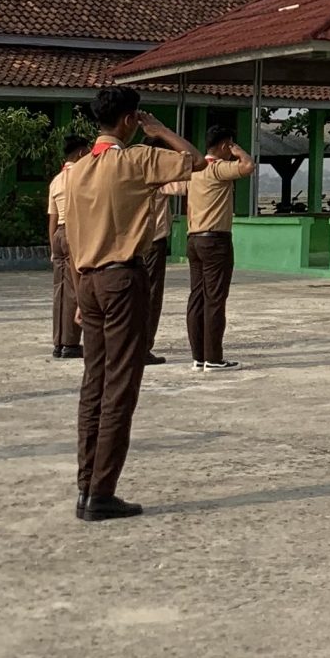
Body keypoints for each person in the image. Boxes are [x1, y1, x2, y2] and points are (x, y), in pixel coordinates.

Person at [63, 87, 198, 520]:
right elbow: (194, 160)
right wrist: (159, 130)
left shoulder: (77, 171)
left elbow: (72, 238)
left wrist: (79, 292)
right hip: (122, 278)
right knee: (120, 385)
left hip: (88, 280)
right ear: (128, 120)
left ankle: (85, 485)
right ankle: (102, 493)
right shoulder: (136, 159)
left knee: (94, 383)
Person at [185, 121, 254, 372]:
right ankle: (213, 358)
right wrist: (239, 151)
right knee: (215, 299)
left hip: (194, 238)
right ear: (225, 146)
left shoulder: (194, 171)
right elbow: (248, 166)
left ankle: (198, 356)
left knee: (197, 298)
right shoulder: (217, 168)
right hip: (215, 239)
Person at [47, 134, 89, 358]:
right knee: (75, 288)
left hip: (59, 235)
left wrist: (52, 245)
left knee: (59, 290)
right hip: (75, 232)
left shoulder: (56, 180)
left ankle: (58, 342)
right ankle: (71, 343)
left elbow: (52, 218)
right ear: (81, 153)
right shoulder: (81, 176)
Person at [143, 178, 185, 364]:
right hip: (153, 242)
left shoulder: (128, 176)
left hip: (130, 243)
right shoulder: (158, 178)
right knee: (152, 295)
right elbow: (184, 186)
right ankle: (144, 347)